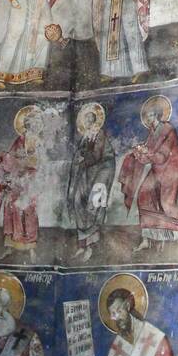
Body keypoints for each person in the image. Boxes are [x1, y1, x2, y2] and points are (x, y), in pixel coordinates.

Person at [119, 95, 178, 252]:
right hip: (157, 170)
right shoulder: (152, 132)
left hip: (171, 171)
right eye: (147, 116)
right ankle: (147, 239)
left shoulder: (169, 130)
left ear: (157, 115)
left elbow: (162, 155)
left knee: (167, 203)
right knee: (144, 196)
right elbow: (148, 156)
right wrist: (138, 153)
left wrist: (147, 152)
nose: (148, 119)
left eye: (150, 115)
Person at [67, 102, 116, 263]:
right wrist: (79, 159)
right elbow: (80, 155)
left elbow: (97, 156)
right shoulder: (85, 137)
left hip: (100, 173)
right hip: (87, 173)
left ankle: (91, 247)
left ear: (95, 121)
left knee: (92, 205)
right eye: (85, 119)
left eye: (90, 119)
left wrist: (82, 159)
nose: (88, 122)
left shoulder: (99, 134)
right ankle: (82, 246)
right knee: (77, 201)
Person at [0, 106, 43, 258]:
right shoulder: (19, 140)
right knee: (10, 206)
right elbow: (11, 159)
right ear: (25, 124)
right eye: (28, 122)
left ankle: (30, 246)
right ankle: (9, 244)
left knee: (29, 211)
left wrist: (22, 161)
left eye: (33, 122)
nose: (30, 125)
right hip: (16, 180)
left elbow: (37, 162)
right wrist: (3, 156)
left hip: (29, 180)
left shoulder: (36, 141)